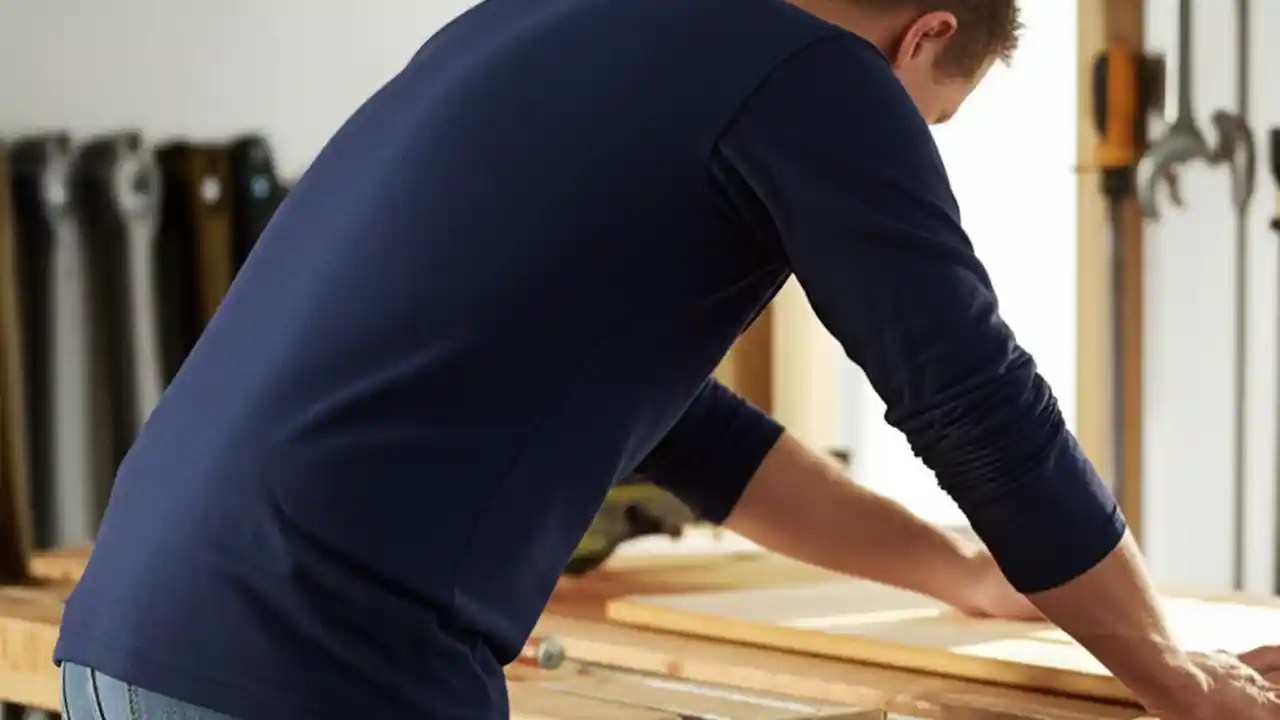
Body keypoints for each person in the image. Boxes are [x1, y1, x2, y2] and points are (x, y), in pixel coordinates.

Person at [53, 0, 1280, 718]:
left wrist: (967, 571)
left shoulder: (550, 20)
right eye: (928, 125)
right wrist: (1171, 673)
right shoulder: (821, 77)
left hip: (130, 639)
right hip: (311, 666)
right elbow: (972, 399)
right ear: (922, 38)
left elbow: (677, 424)